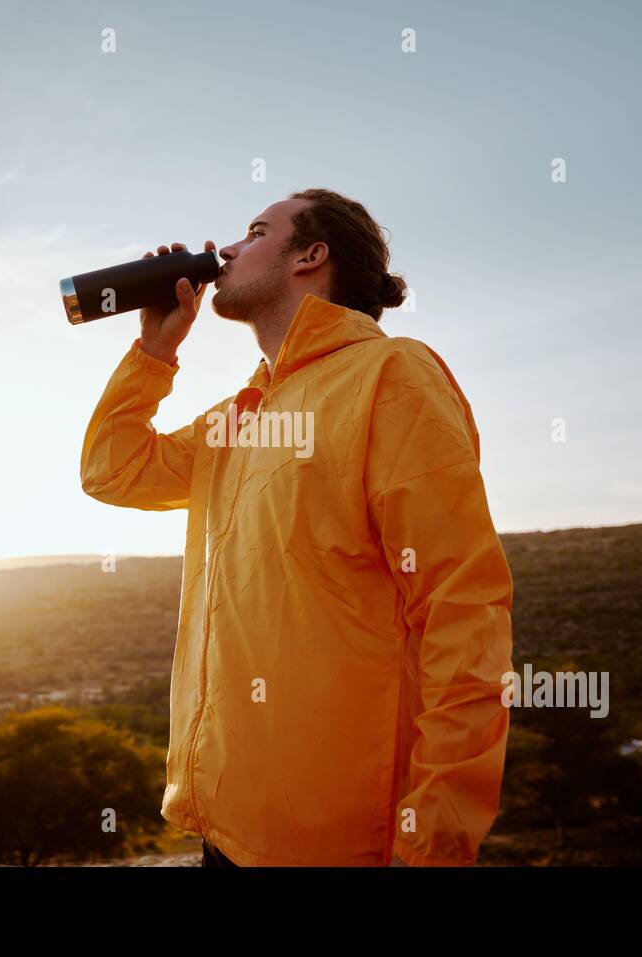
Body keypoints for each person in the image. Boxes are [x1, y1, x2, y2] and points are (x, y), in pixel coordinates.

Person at [80, 188, 514, 867]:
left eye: (254, 232)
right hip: (223, 833)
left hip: (339, 848)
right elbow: (113, 470)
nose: (224, 250)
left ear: (312, 255)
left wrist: (430, 842)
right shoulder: (239, 416)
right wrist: (153, 352)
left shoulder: (391, 374)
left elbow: (462, 609)